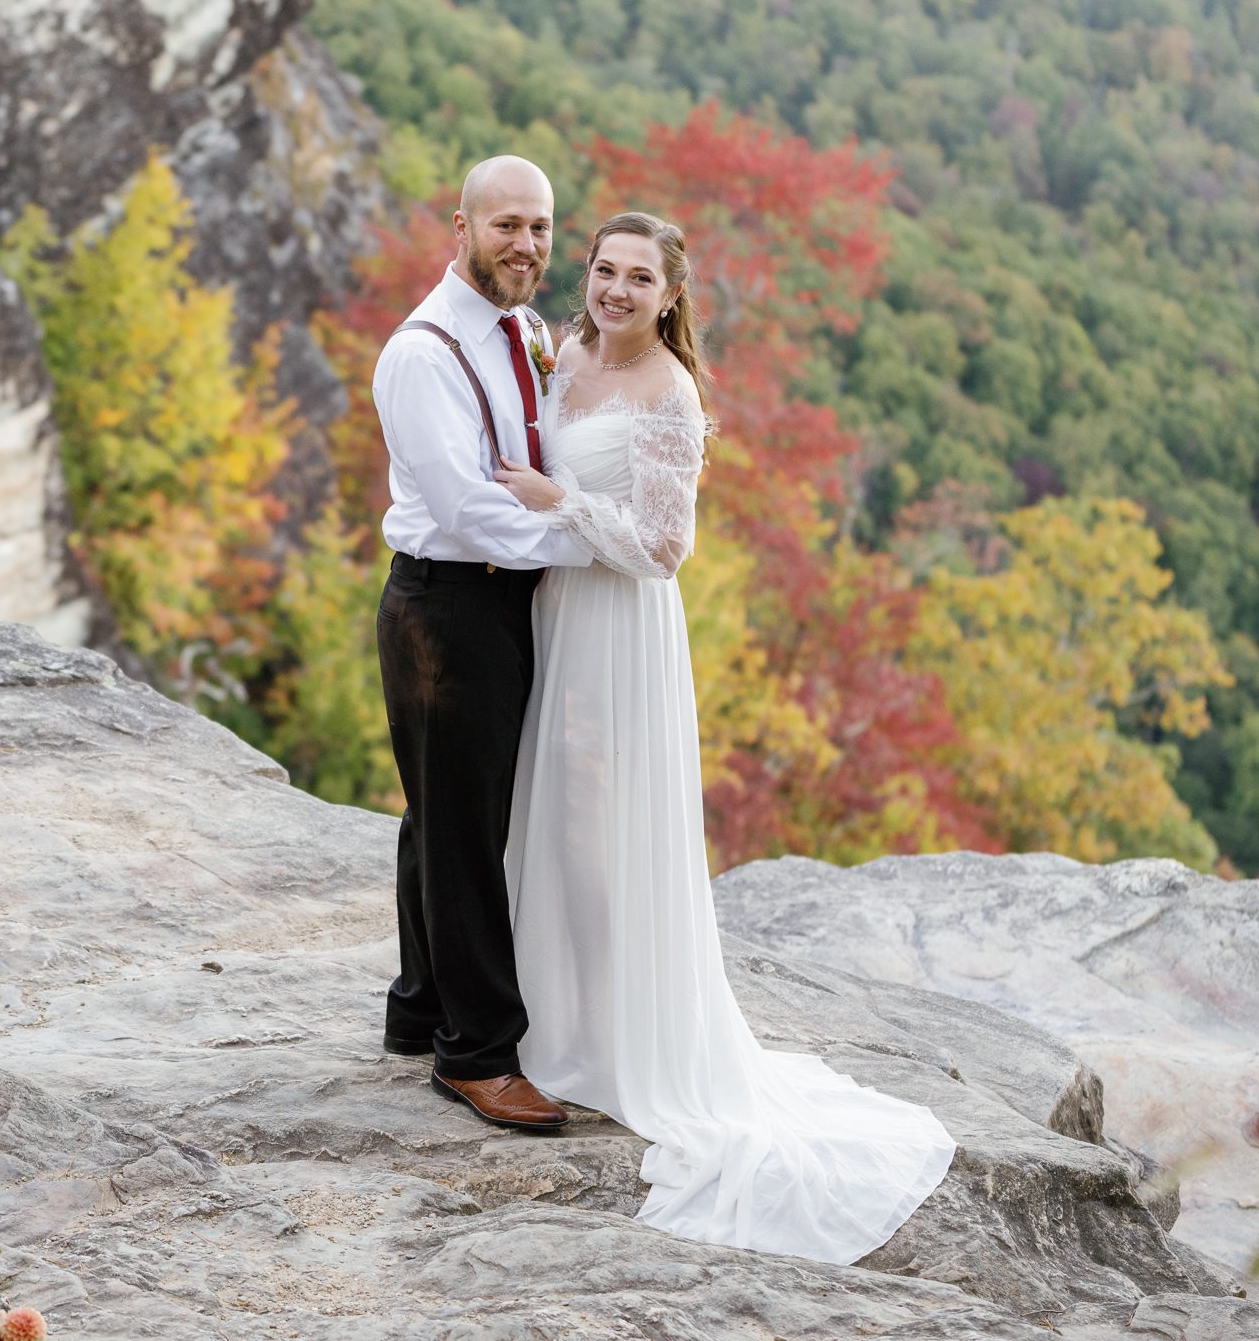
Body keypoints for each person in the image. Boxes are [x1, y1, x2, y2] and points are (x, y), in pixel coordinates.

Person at [492, 209, 957, 1262]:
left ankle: (620, 1041)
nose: (613, 288)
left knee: (604, 824)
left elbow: (665, 548)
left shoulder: (671, 393)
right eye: (603, 269)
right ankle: (548, 1021)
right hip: (554, 615)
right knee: (551, 815)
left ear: (670, 296)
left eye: (637, 277)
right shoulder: (562, 352)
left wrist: (560, 501)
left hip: (618, 627)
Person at [370, 155, 591, 1132]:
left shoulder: (527, 332)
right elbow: (463, 509)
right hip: (448, 607)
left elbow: (529, 466)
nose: (527, 245)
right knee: (465, 831)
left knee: (441, 812)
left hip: (500, 603)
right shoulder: (422, 355)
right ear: (458, 227)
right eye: (506, 225)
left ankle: (421, 1006)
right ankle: (479, 1052)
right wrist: (582, 541)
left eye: (540, 228)